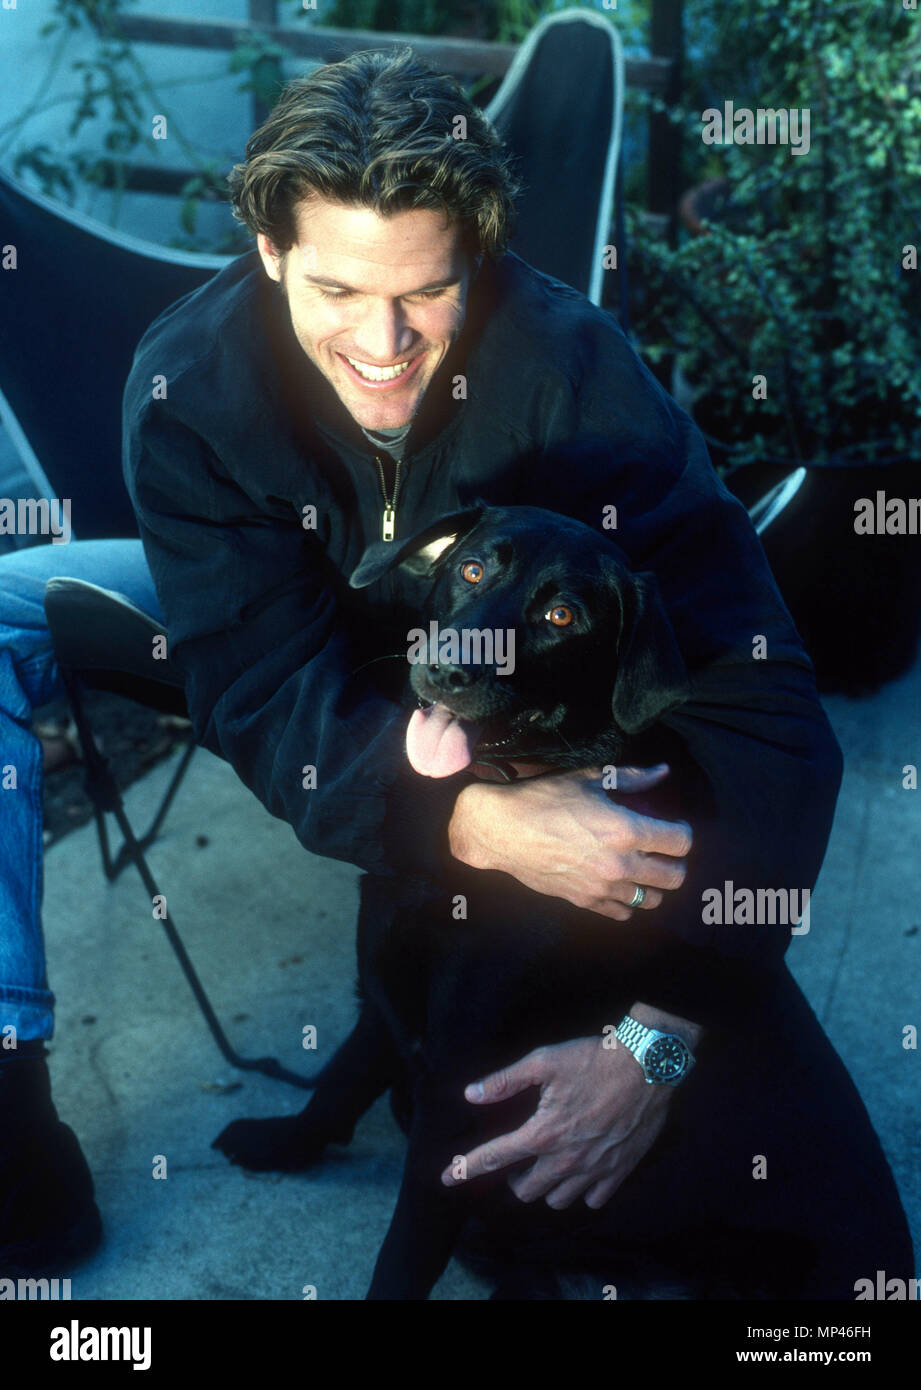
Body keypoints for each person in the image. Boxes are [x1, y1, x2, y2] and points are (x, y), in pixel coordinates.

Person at [1, 47, 913, 1296]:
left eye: (424, 293)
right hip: (287, 617)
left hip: (479, 626)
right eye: (334, 287)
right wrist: (474, 820)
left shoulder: (579, 385)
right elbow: (260, 689)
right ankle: (7, 1081)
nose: (380, 346)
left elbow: (763, 705)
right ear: (268, 251)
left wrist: (663, 1033)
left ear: (475, 257)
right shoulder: (187, 384)